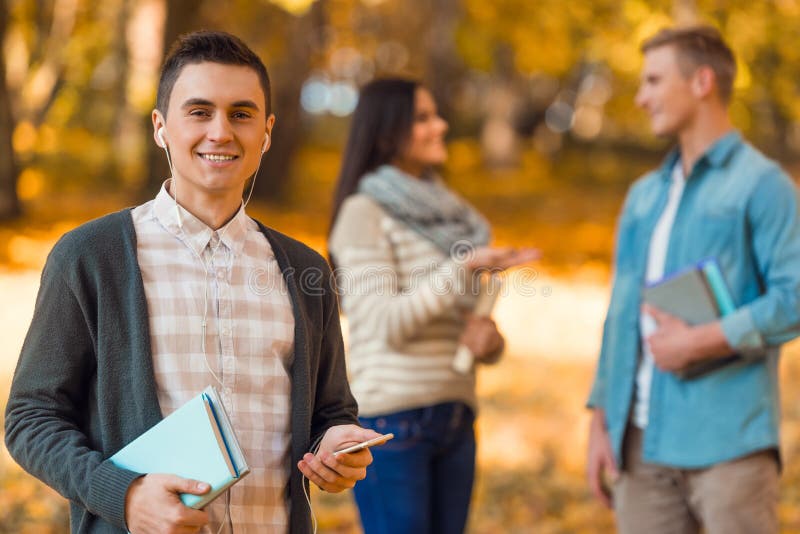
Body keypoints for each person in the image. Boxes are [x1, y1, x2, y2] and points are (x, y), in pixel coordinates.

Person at [4, 30, 380, 534]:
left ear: (266, 132)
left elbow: (330, 412)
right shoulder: (90, 256)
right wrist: (125, 494)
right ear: (161, 127)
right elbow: (31, 418)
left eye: (241, 114)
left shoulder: (304, 269)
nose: (221, 132)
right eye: (199, 112)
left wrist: (334, 447)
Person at [586, 26, 800, 534]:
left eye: (654, 81)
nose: (641, 98)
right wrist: (600, 422)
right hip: (638, 448)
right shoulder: (642, 195)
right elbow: (620, 314)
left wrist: (699, 342)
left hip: (729, 446)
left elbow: (794, 296)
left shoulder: (764, 185)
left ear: (702, 81)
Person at [328, 78, 538, 534]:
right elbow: (384, 323)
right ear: (388, 131)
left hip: (455, 418)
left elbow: (460, 321)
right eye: (423, 118)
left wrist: (490, 343)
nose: (440, 125)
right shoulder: (363, 213)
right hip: (393, 426)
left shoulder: (452, 215)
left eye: (435, 114)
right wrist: (463, 267)